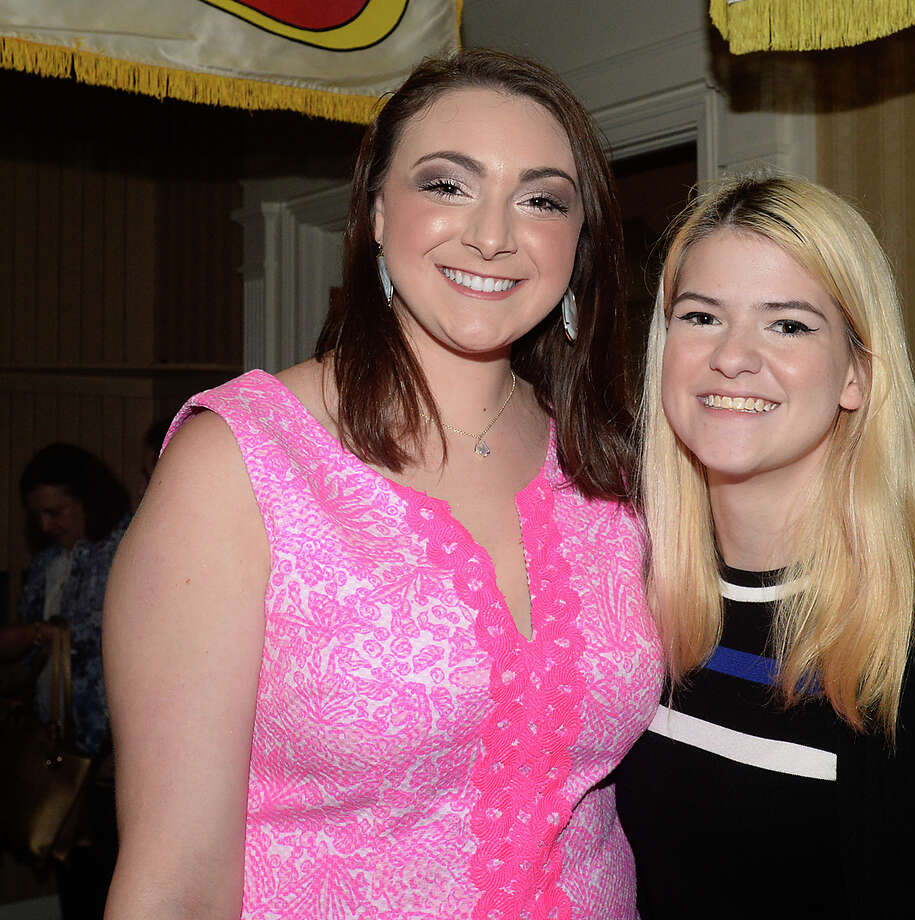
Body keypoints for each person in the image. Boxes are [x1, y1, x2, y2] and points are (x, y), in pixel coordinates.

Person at [103, 50, 663, 920]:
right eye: (446, 184)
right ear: (373, 213)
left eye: (542, 199)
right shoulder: (242, 463)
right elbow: (172, 884)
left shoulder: (611, 471)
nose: (492, 233)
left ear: (578, 244)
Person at [613, 176, 915, 918]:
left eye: (787, 325)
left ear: (857, 373)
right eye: (701, 316)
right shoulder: (624, 611)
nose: (733, 357)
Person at [0, 443, 130, 919]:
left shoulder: (126, 550)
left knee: (112, 876)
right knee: (72, 875)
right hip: (57, 742)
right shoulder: (47, 563)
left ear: (88, 501)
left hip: (111, 753)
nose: (45, 527)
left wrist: (42, 635)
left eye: (56, 512)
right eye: (37, 516)